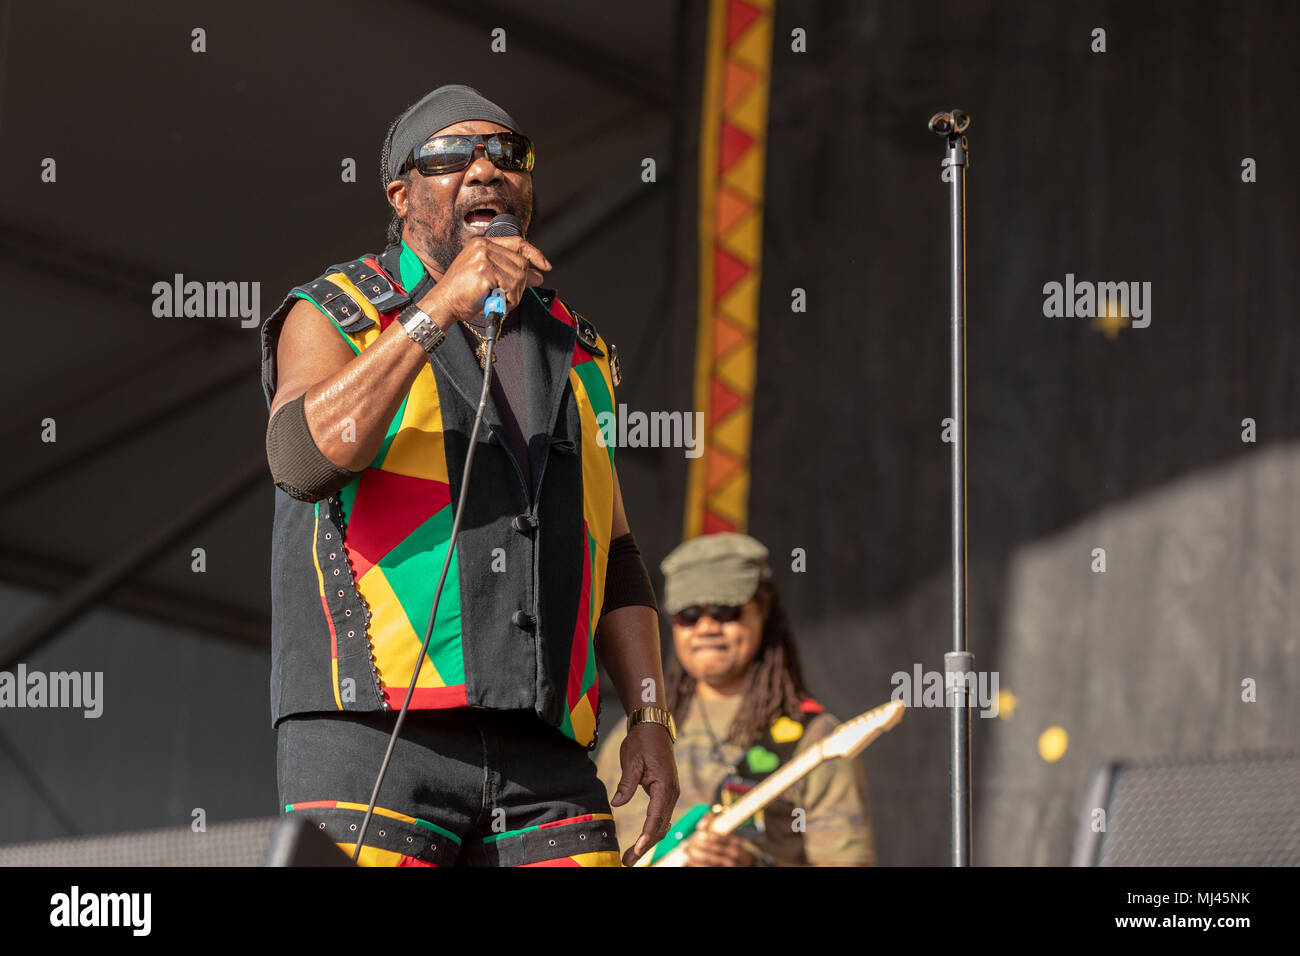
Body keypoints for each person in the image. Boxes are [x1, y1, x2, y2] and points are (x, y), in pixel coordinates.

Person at [259, 84, 678, 867]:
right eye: (453, 156)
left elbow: (615, 554)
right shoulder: (338, 308)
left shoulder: (580, 352)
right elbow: (303, 458)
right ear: (401, 192)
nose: (486, 169)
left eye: (507, 154)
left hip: (546, 744)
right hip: (375, 730)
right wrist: (439, 307)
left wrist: (651, 714)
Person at [595, 533, 877, 866]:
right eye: (688, 614)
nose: (706, 626)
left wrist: (751, 863)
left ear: (763, 609)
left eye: (724, 610)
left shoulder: (817, 740)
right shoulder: (638, 735)